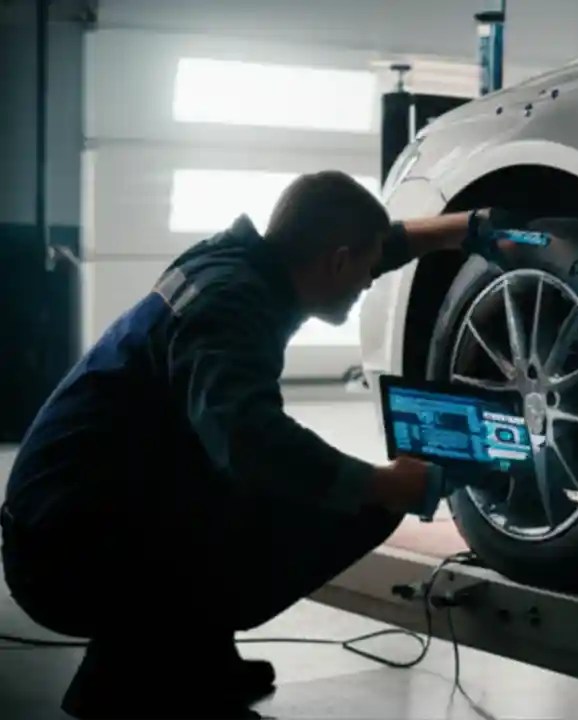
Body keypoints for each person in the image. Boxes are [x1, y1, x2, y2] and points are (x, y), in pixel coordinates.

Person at [0, 170, 529, 719]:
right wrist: (384, 483)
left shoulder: (241, 260)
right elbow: (251, 444)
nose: (367, 283)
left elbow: (372, 244)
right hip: (66, 563)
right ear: (336, 260)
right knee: (355, 503)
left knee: (218, 477)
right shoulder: (231, 310)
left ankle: (195, 651)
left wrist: (463, 229)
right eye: (364, 273)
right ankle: (127, 676)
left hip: (61, 524)